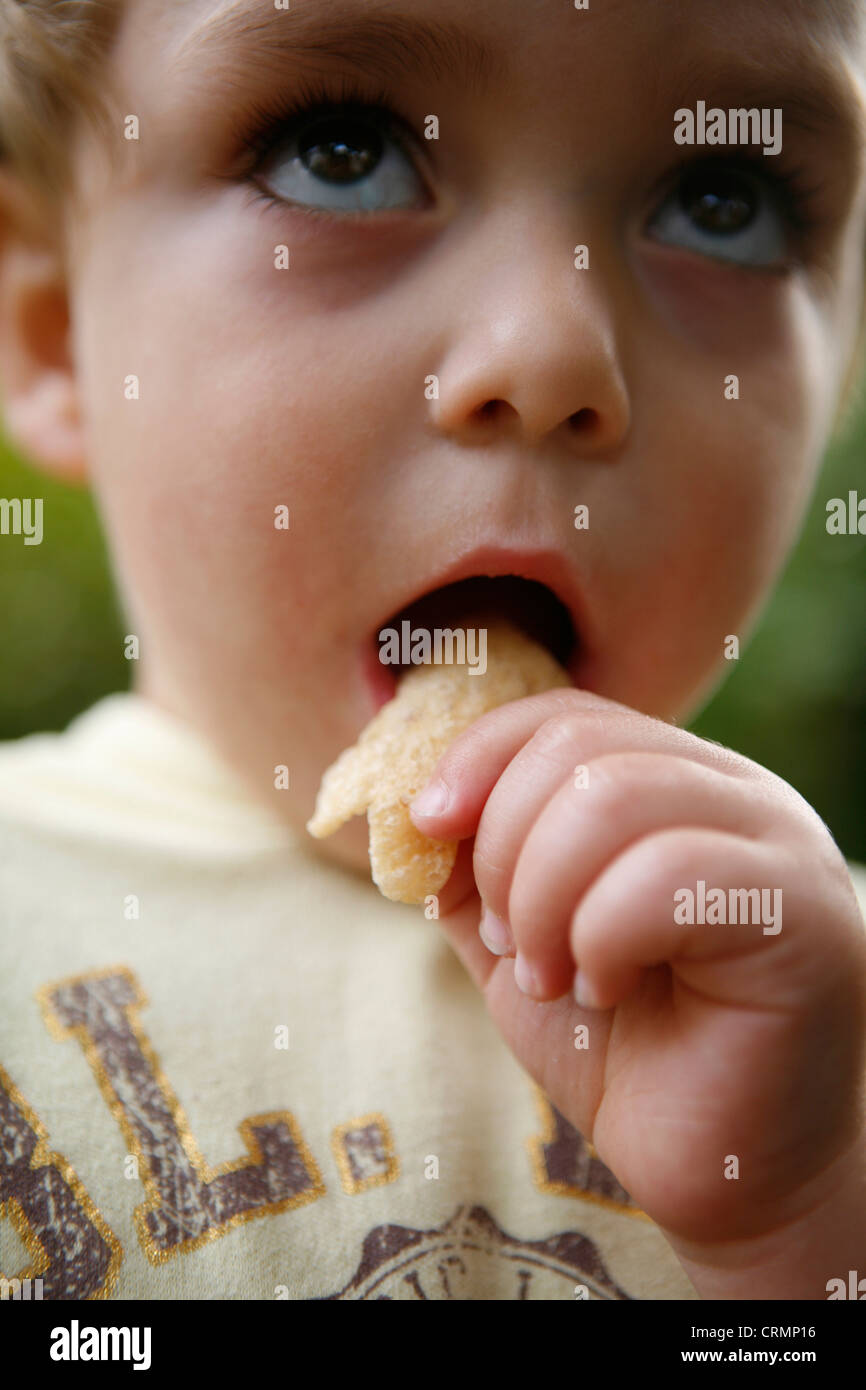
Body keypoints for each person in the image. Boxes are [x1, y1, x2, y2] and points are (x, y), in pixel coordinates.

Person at [0, 0, 864, 1301]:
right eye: (341, 152)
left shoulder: (826, 1019)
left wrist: (807, 1220)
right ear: (54, 329)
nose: (553, 346)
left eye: (719, 197)